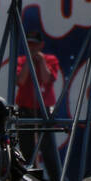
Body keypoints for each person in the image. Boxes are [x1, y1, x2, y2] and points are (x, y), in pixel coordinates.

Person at [15, 27, 61, 168]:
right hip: (25, 110)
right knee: (26, 151)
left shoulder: (50, 59)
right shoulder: (21, 60)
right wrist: (29, 61)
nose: (32, 47)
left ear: (41, 45)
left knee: (49, 152)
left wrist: (40, 61)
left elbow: (47, 79)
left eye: (35, 44)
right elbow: (20, 81)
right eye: (29, 44)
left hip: (44, 110)